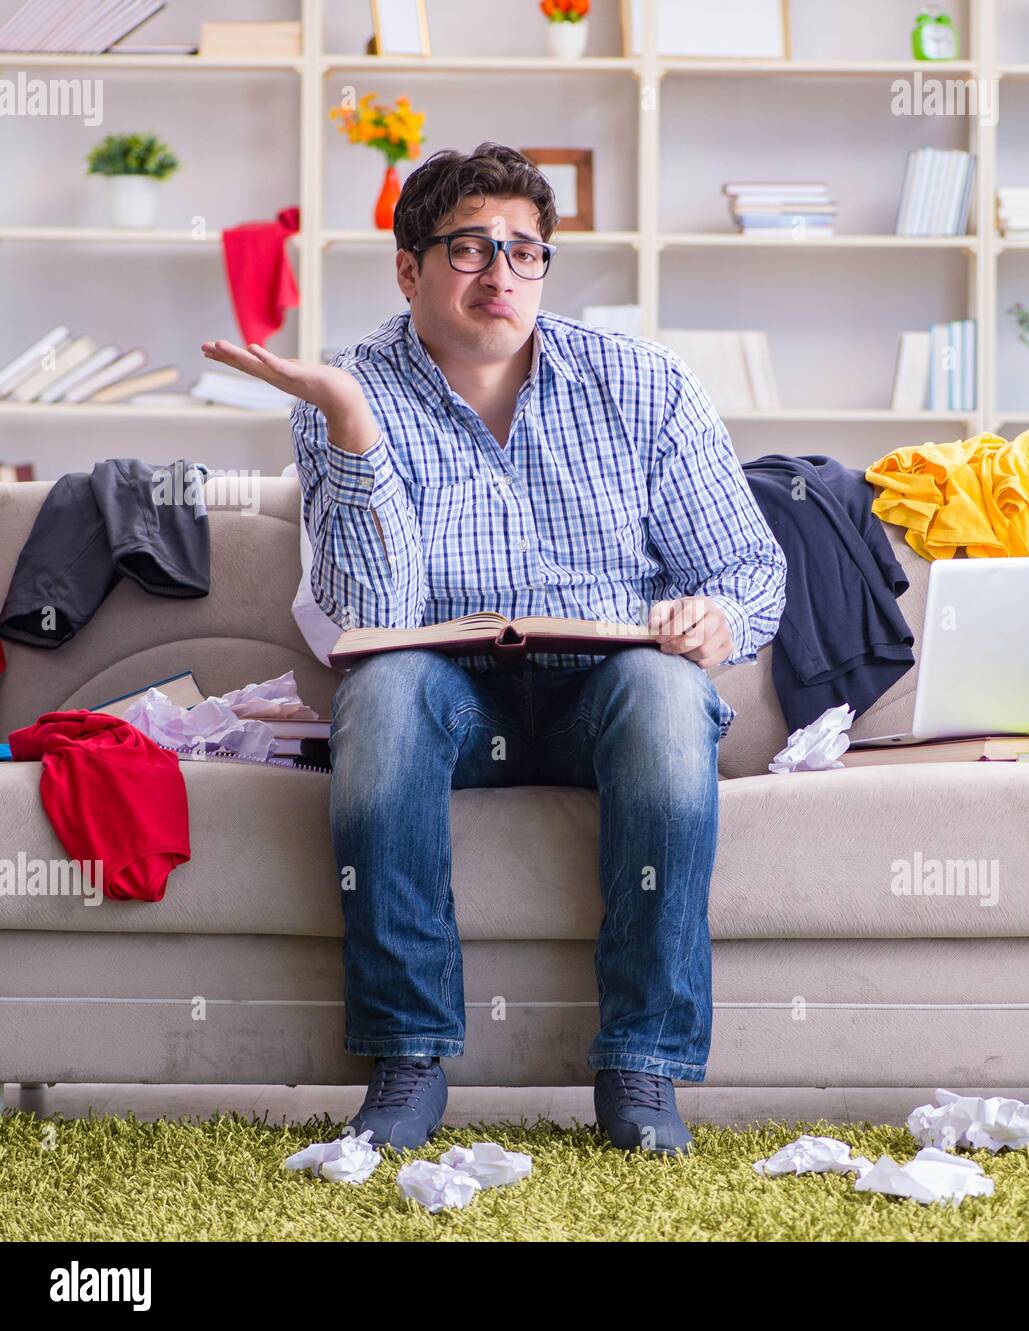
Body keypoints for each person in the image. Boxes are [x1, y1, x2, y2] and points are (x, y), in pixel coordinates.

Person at [200, 141, 786, 1156]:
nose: (500, 276)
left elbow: (750, 567)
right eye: (469, 249)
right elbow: (370, 612)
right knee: (382, 691)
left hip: (610, 689)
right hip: (451, 701)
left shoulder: (643, 386)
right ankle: (407, 1054)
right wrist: (348, 421)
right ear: (408, 267)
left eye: (524, 252)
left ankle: (642, 1062)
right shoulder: (346, 392)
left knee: (659, 689)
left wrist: (718, 617)